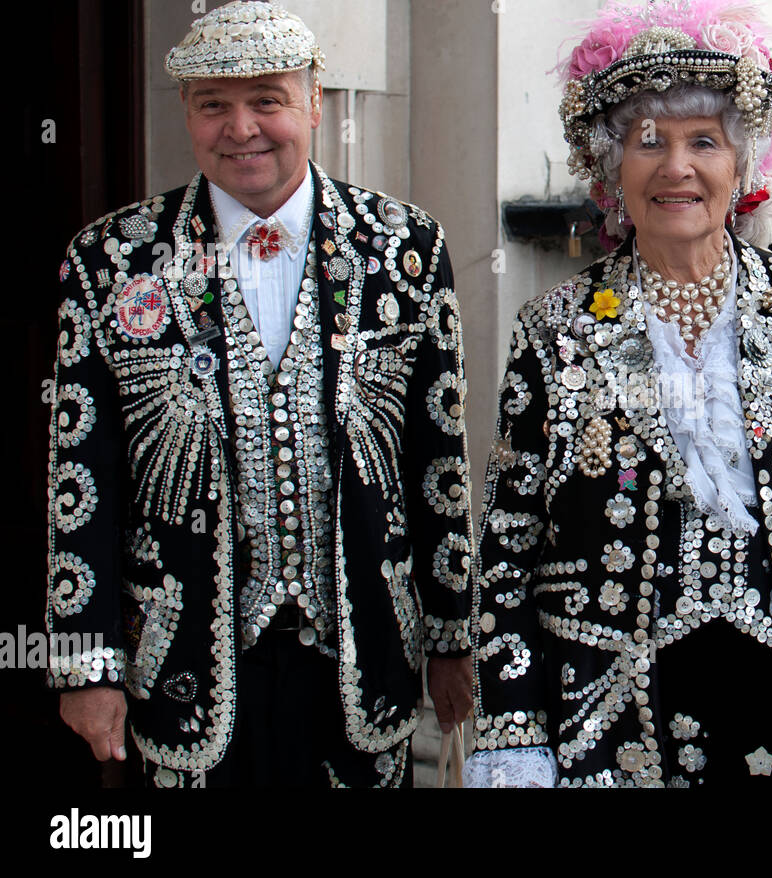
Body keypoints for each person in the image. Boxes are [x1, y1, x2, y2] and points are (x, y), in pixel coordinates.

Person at [467, 0, 772, 788]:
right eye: (648, 142)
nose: (676, 167)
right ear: (612, 166)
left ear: (742, 164)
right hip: (613, 726)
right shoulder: (551, 327)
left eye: (704, 142)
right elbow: (509, 547)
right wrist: (517, 737)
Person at [46, 0, 474, 787]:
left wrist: (453, 640)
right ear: (186, 113)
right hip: (184, 664)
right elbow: (84, 478)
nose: (241, 128)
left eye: (267, 100)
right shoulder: (111, 261)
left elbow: (438, 464)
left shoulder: (407, 248)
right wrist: (85, 665)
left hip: (360, 657)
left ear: (314, 101)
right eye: (215, 105)